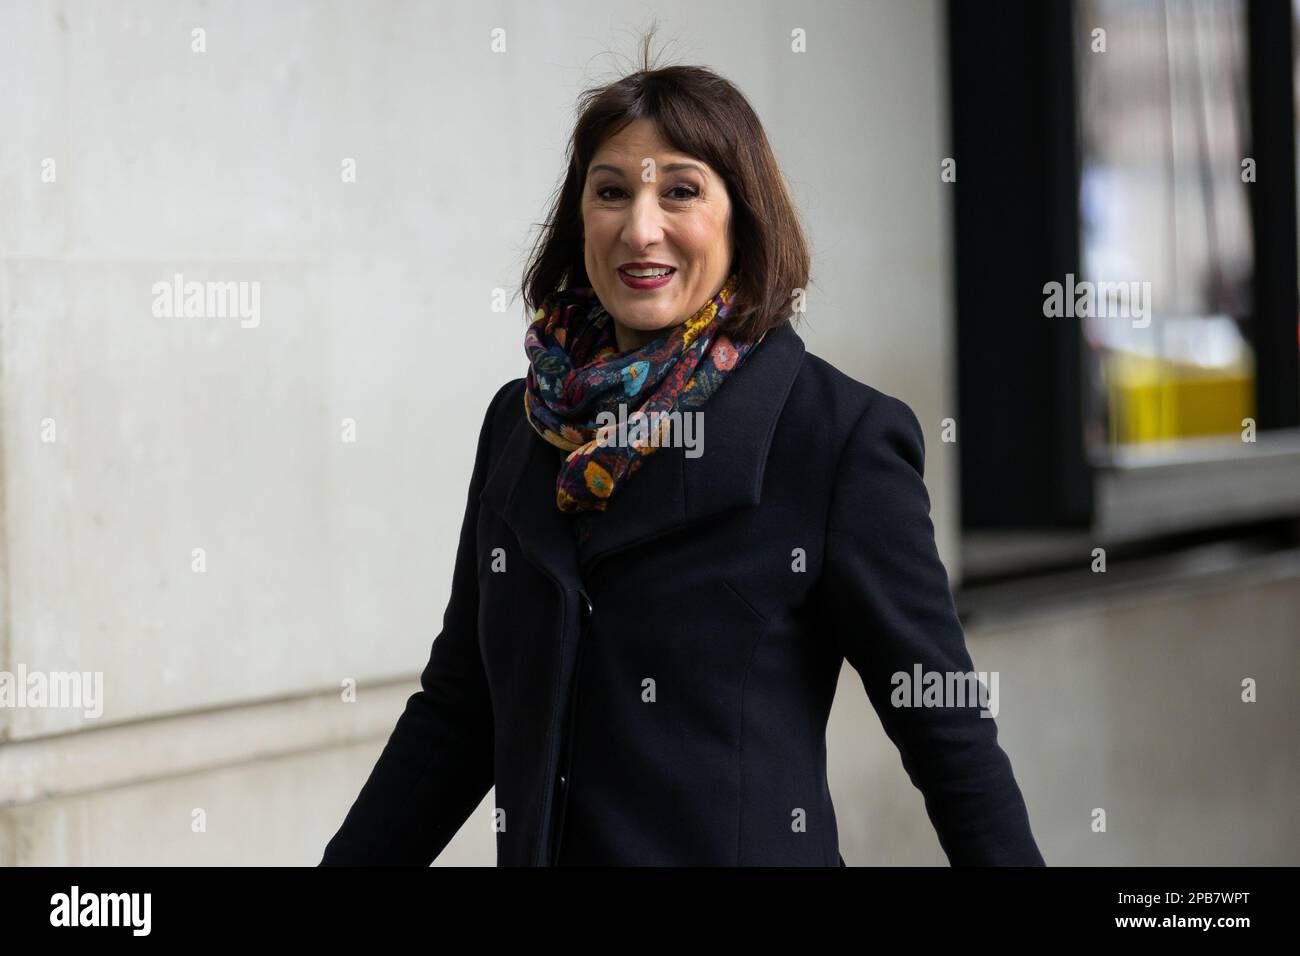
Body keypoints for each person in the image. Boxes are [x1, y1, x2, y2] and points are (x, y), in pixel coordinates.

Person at [321, 47, 1045, 867]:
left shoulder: (835, 438)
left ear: (743, 216)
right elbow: (462, 709)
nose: (641, 227)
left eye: (681, 192)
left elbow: (948, 736)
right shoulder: (521, 427)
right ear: (578, 218)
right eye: (611, 192)